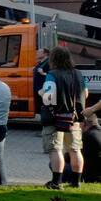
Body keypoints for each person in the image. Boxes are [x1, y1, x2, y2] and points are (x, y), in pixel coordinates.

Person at [38, 46, 90, 189]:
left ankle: (56, 181)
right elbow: (85, 93)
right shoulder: (78, 74)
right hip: (75, 119)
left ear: (53, 59)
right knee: (75, 150)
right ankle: (76, 181)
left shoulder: (52, 74)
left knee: (56, 149)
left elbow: (49, 98)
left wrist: (41, 92)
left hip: (55, 119)